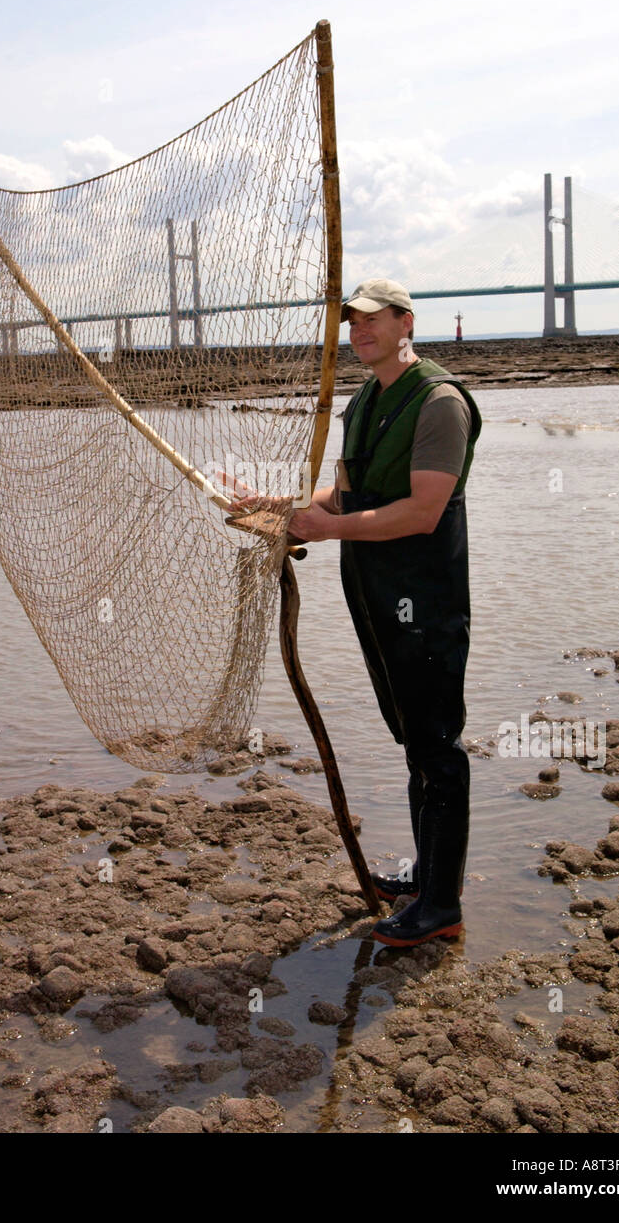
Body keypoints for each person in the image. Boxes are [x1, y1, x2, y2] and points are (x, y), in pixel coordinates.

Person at [236, 278, 482, 947]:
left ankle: (441, 910)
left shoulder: (437, 403)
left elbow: (421, 510)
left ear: (406, 322)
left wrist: (320, 529)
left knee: (437, 747)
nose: (360, 331)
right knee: (413, 741)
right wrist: (282, 509)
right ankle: (429, 882)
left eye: (374, 319)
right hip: (374, 598)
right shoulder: (366, 399)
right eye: (352, 321)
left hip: (423, 601)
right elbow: (348, 495)